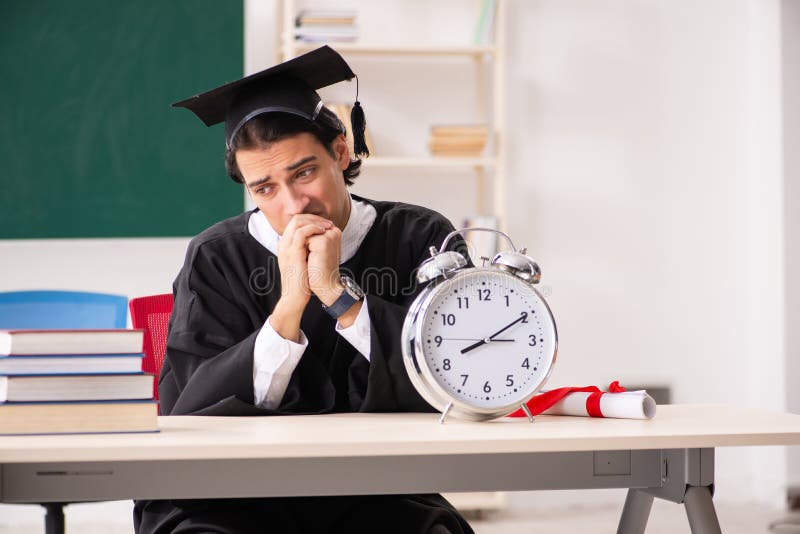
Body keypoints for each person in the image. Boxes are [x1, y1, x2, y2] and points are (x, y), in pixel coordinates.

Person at [133, 46, 474, 534]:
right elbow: (189, 411)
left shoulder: (420, 238)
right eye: (265, 188)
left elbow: (463, 376)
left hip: (372, 489)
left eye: (304, 172)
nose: (293, 204)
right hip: (225, 495)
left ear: (340, 151)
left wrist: (340, 297)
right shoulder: (216, 256)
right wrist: (289, 306)